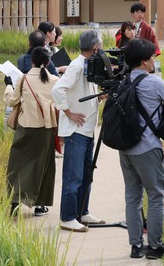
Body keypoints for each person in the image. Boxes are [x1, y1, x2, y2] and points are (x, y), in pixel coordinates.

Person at [119, 38, 164, 259]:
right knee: (156, 196)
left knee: (132, 197)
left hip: (126, 149)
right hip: (147, 148)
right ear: (145, 61)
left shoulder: (123, 82)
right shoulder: (154, 83)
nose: (154, 61)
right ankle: (155, 247)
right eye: (152, 58)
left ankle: (136, 246)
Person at [51, 29, 107, 232]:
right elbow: (57, 89)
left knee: (86, 174)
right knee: (73, 177)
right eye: (100, 46)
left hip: (87, 130)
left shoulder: (88, 65)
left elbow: (84, 91)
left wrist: (100, 97)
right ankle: (67, 217)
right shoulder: (76, 66)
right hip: (76, 131)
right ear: (95, 47)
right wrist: (68, 112)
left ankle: (82, 212)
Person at [4, 47, 59, 218]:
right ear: (48, 62)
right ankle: (40, 205)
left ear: (31, 61)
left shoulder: (23, 79)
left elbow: (12, 100)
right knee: (43, 167)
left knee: (17, 165)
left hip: (26, 127)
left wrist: (7, 86)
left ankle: (14, 202)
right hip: (46, 129)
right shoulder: (55, 80)